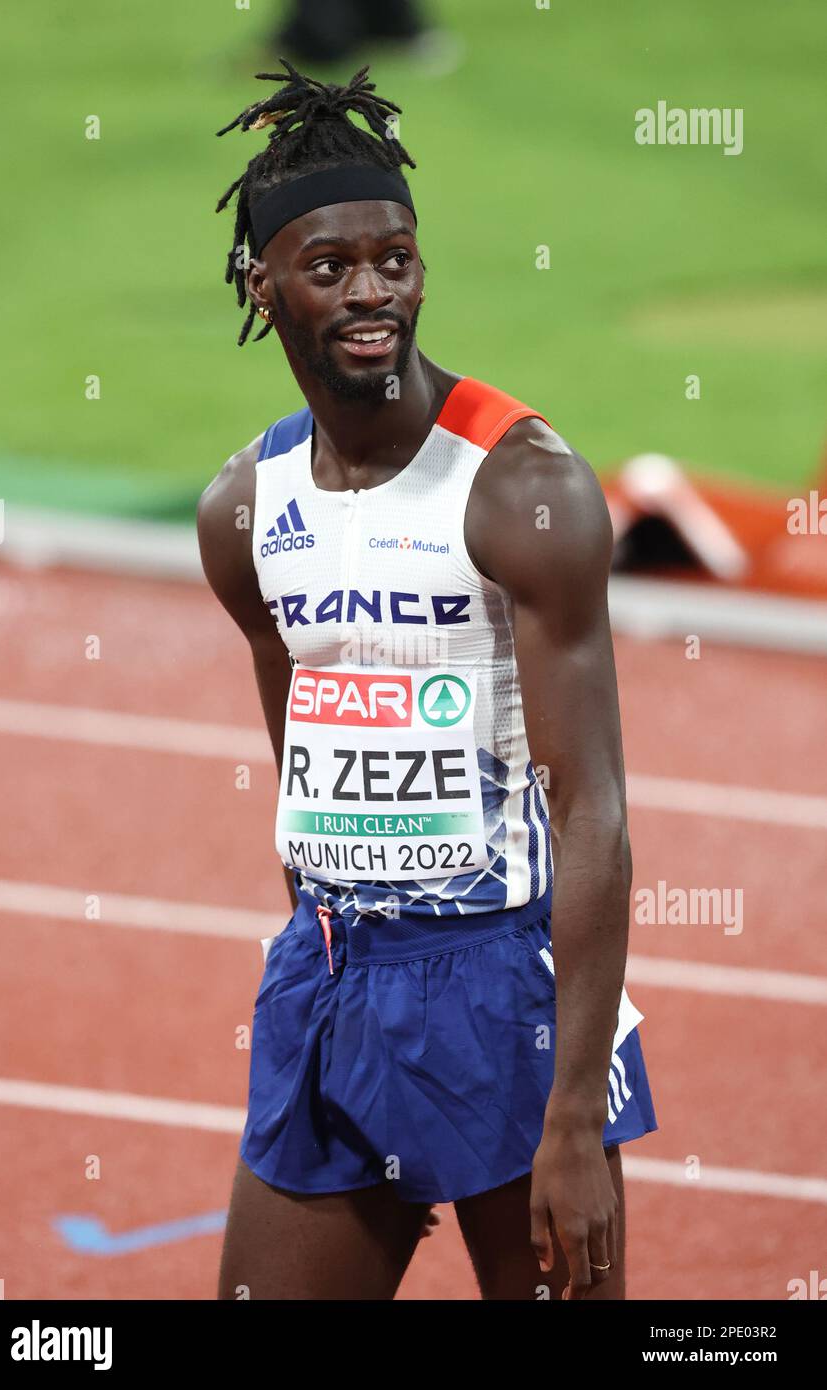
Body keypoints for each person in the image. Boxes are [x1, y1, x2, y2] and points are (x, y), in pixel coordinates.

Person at [198, 59, 657, 1301]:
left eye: (393, 259)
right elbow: (300, 752)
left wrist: (571, 1120)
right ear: (261, 282)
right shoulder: (245, 509)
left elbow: (592, 809)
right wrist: (334, 939)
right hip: (335, 976)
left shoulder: (521, 488)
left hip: (505, 991)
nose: (370, 292)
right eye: (330, 265)